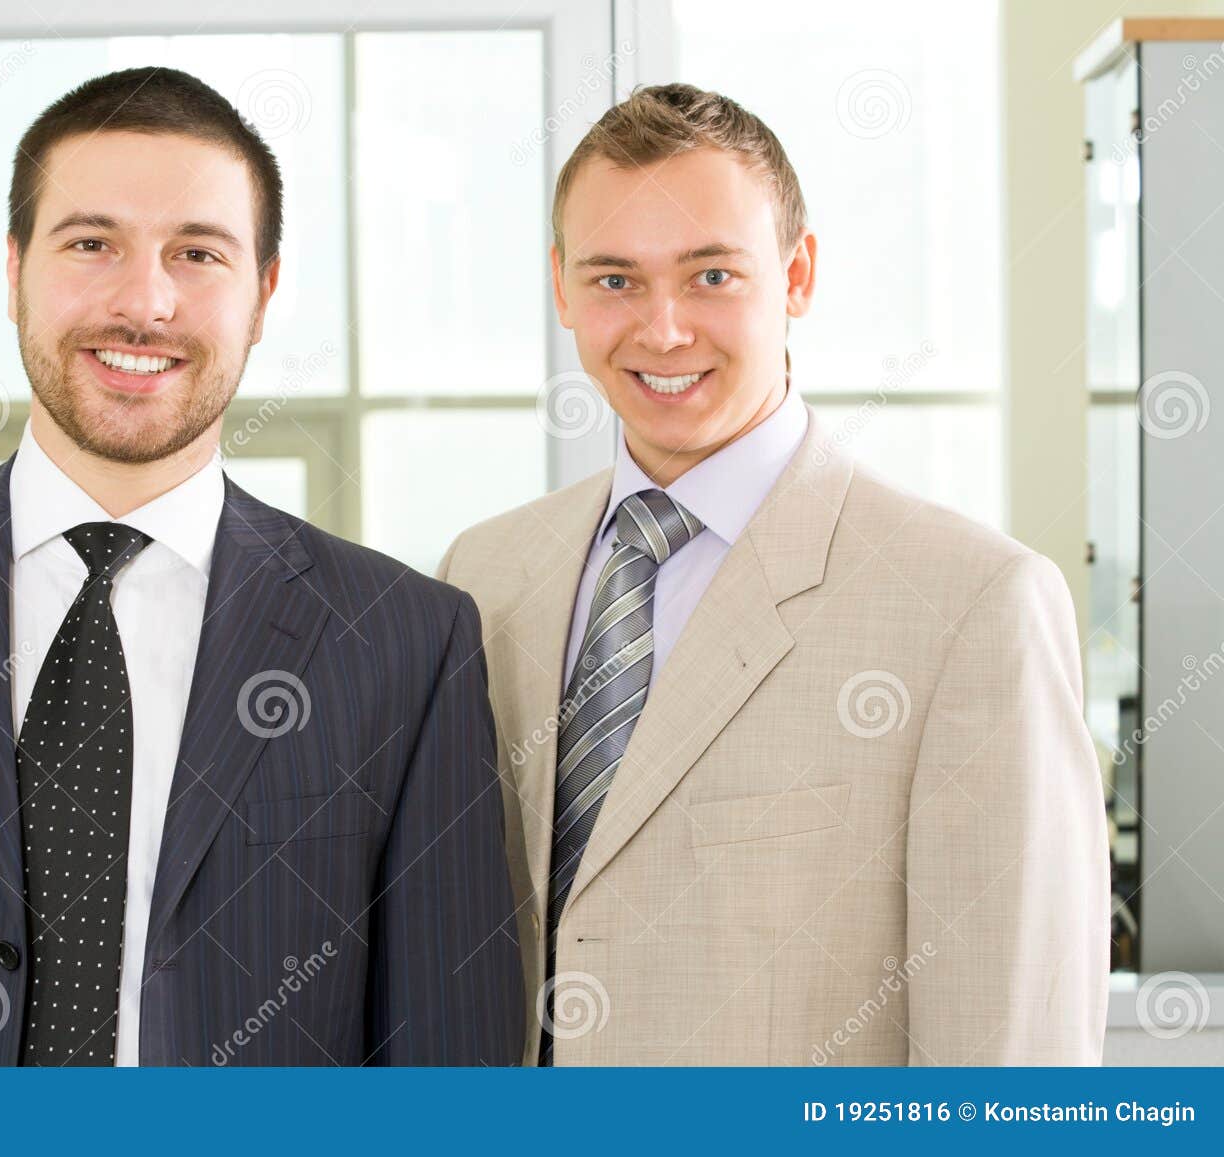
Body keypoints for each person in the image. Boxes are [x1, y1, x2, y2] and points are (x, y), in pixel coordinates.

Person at [0, 67, 521, 1067]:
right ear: (13, 267)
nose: (144, 301)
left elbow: (449, 1060)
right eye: (91, 243)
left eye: (197, 253)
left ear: (263, 294)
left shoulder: (405, 639)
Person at [438, 83, 1109, 1066]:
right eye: (615, 279)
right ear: (560, 287)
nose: (662, 330)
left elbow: (1013, 1061)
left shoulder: (970, 606)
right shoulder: (485, 573)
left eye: (711, 275)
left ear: (796, 275)